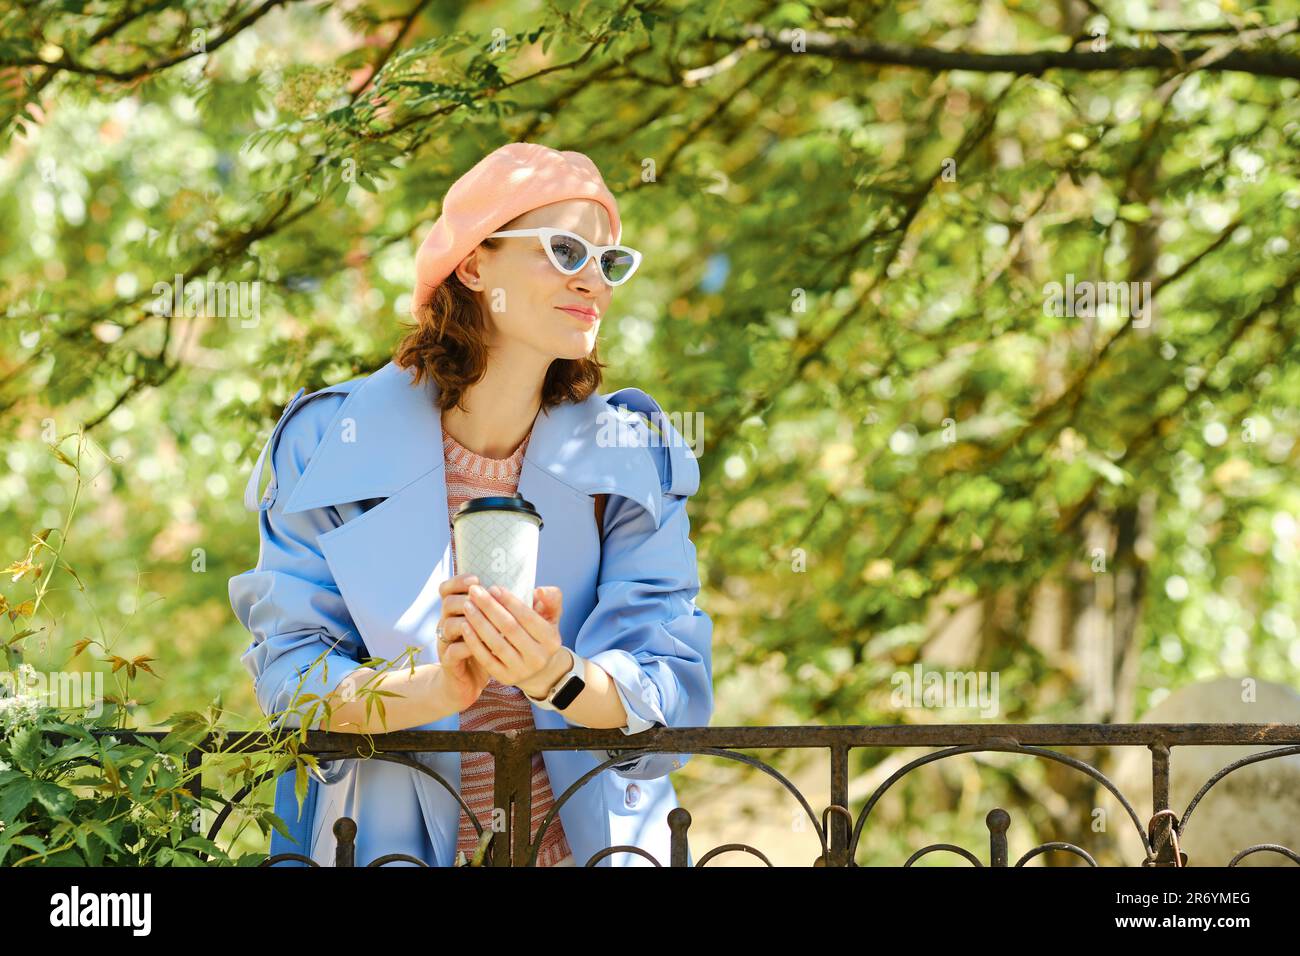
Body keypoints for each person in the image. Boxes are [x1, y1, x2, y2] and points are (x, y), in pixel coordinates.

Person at [229, 142, 713, 867]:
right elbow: (291, 678)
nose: (595, 282)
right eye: (565, 249)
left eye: (609, 262)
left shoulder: (633, 453)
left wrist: (556, 674)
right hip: (388, 848)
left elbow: (672, 681)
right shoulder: (326, 444)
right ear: (475, 263)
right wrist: (435, 690)